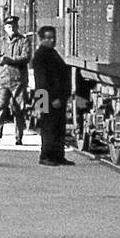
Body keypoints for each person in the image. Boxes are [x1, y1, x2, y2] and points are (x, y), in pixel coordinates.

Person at [31, 26, 73, 166]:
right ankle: (46, 155)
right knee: (49, 125)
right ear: (41, 39)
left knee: (59, 125)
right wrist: (54, 98)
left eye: (53, 37)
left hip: (50, 95)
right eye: (48, 38)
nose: (52, 40)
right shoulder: (41, 55)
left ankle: (58, 155)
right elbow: (43, 80)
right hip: (44, 95)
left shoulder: (51, 53)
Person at [0, 16, 32, 145]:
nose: (12, 29)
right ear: (5, 28)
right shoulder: (0, 41)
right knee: (0, 106)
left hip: (18, 80)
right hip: (3, 79)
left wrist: (9, 59)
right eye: (9, 27)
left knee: (18, 109)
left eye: (13, 26)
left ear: (17, 27)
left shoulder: (23, 41)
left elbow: (26, 57)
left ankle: (18, 137)